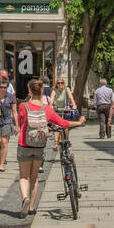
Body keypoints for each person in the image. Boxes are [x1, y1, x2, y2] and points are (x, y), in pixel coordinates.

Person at [16, 78, 85, 217]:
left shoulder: (23, 106)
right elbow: (62, 123)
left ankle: (25, 198)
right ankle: (31, 207)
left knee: (23, 176)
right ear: (42, 91)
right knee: (34, 177)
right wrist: (78, 122)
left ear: (29, 91)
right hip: (39, 146)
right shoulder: (46, 109)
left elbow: (21, 121)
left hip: (24, 144)